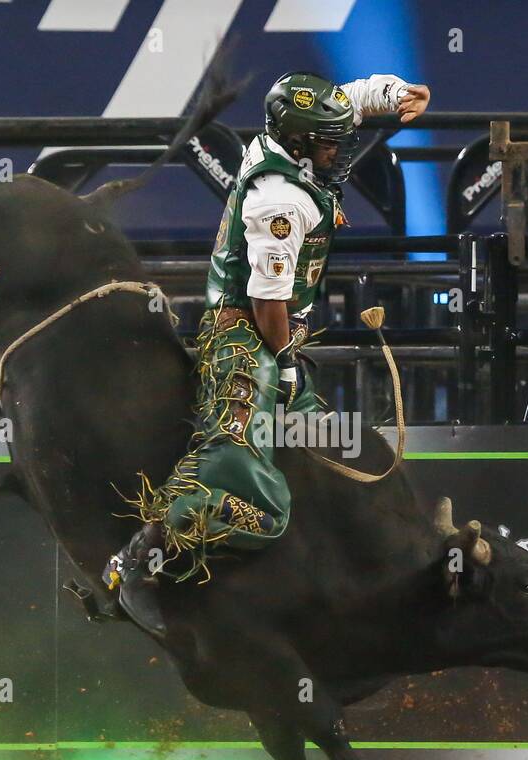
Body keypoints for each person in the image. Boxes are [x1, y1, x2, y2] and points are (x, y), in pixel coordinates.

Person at [103, 70, 430, 635]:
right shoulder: (279, 202)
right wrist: (282, 361)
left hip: (277, 334)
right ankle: (135, 562)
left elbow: (345, 102)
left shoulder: (296, 143)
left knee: (333, 444)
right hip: (245, 339)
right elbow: (267, 301)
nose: (341, 146)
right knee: (244, 480)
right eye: (331, 141)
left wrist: (393, 95)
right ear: (302, 144)